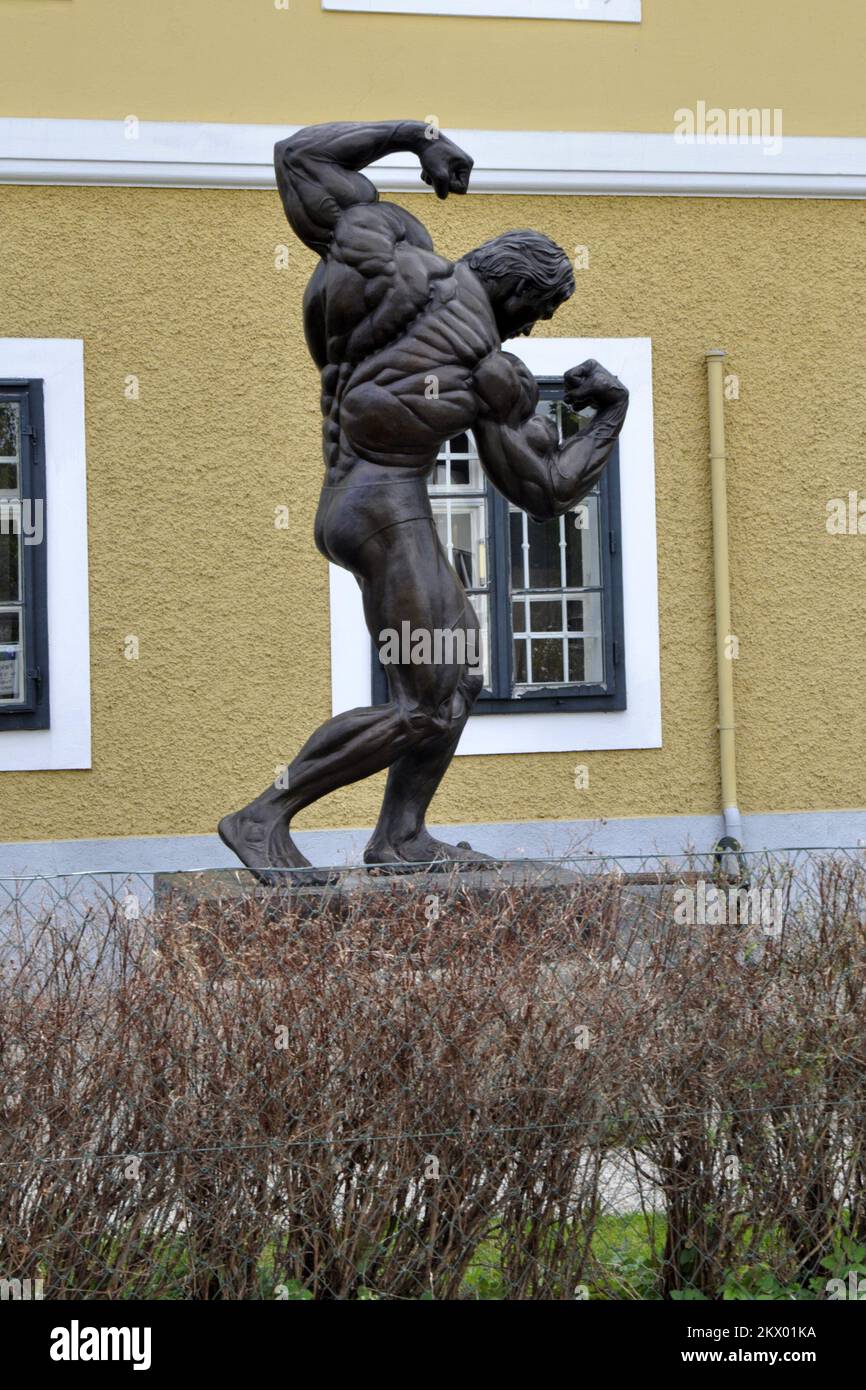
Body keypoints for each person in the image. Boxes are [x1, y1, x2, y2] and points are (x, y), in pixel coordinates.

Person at [219, 121, 629, 881]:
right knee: (425, 702)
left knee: (455, 679)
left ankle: (402, 838)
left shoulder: (384, 245)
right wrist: (609, 413)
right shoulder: (489, 369)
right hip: (387, 507)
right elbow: (545, 491)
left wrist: (418, 136)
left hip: (350, 495)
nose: (532, 327)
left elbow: (297, 156)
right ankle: (262, 816)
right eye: (537, 311)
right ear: (516, 292)